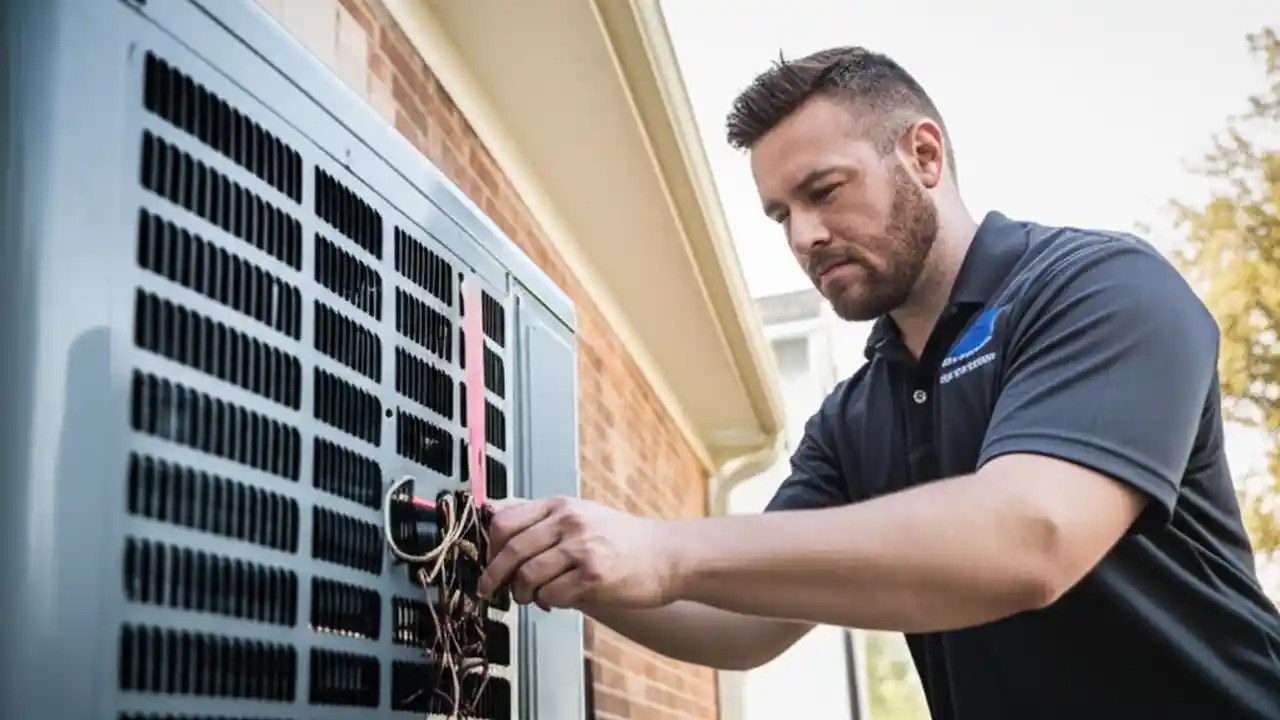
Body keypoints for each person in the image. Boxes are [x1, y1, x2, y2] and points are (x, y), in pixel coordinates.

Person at [476, 46, 1280, 719]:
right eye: (778, 214)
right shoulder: (855, 414)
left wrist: (664, 547)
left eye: (823, 191)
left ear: (924, 156)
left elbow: (1031, 538)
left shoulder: (1099, 288)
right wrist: (567, 563)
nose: (804, 235)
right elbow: (746, 622)